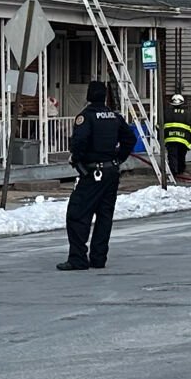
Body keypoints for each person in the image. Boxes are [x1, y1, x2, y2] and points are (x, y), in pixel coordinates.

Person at [59, 80, 136, 270]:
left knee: (77, 214)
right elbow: (130, 138)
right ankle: (98, 258)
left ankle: (78, 258)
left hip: (93, 172)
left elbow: (80, 142)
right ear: (105, 96)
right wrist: (119, 158)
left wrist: (78, 160)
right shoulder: (114, 117)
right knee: (104, 215)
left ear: (88, 96)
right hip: (111, 172)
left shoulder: (86, 117)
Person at [161, 92, 191, 179]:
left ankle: (173, 173)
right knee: (181, 156)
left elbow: (159, 126)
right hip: (183, 140)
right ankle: (181, 171)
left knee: (172, 156)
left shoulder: (166, 113)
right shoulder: (187, 114)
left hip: (170, 139)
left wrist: (162, 137)